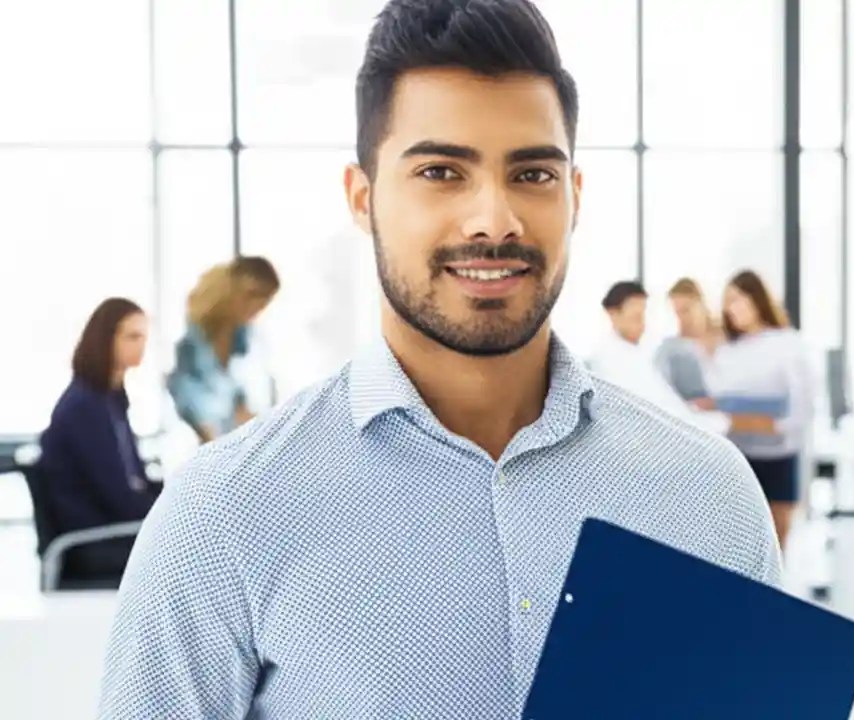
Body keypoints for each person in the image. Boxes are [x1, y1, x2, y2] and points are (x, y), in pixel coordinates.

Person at [99, 2, 780, 717]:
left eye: (533, 175)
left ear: (575, 197)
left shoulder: (707, 494)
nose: (494, 221)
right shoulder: (225, 513)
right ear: (362, 198)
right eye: (441, 171)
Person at [38, 298, 156, 583]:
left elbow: (133, 481)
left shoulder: (111, 400)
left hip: (113, 531)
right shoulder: (83, 407)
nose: (141, 346)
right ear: (106, 339)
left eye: (144, 337)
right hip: (94, 540)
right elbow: (118, 497)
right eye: (133, 336)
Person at [710, 270, 815, 549]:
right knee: (741, 545)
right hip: (738, 459)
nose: (731, 308)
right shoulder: (727, 351)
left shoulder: (787, 344)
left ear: (756, 299)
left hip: (779, 456)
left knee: (777, 546)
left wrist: (769, 425)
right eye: (727, 302)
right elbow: (719, 403)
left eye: (737, 299)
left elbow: (804, 404)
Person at [586, 281, 734, 435]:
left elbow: (666, 401)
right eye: (636, 317)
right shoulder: (608, 360)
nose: (643, 325)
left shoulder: (645, 352)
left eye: (644, 316)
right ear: (613, 314)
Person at [167, 255, 280, 443]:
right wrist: (207, 430)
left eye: (265, 300)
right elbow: (182, 392)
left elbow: (238, 396)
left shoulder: (244, 340)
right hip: (193, 442)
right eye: (252, 295)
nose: (258, 307)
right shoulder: (192, 341)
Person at [655, 277, 721, 402]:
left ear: (701, 304)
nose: (681, 319)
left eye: (685, 311)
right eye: (677, 313)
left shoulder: (729, 338)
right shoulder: (671, 350)